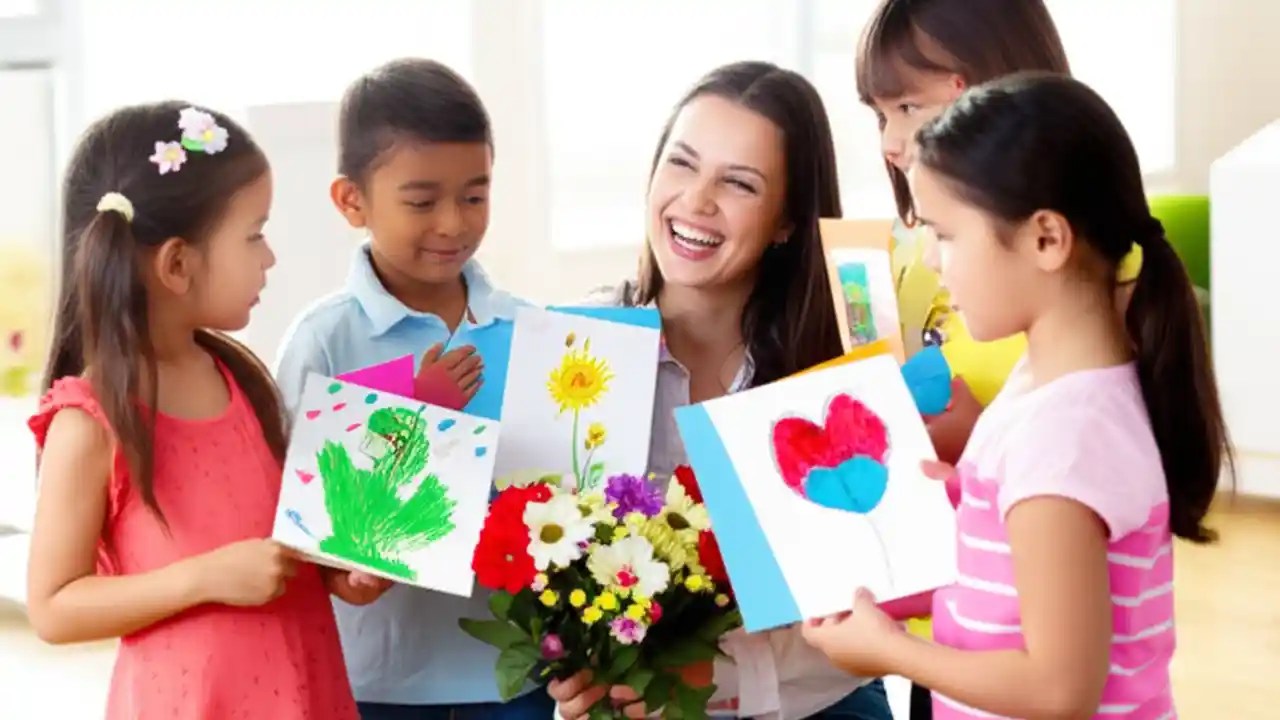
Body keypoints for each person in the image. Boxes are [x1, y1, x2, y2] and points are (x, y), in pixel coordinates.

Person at [801, 72, 1231, 719]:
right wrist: (975, 508)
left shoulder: (1062, 437)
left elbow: (1059, 691)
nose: (934, 262)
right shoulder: (1055, 389)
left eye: (946, 235)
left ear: (1046, 239)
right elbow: (1018, 589)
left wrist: (891, 654)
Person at [549, 61, 893, 720]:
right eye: (681, 164)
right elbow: (543, 572)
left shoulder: (836, 367)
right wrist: (577, 666)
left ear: (787, 221)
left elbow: (869, 616)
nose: (696, 202)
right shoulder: (578, 346)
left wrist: (720, 678)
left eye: (738, 183)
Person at [25, 101, 370, 719]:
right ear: (178, 264)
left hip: (304, 693)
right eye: (255, 233)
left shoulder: (240, 378)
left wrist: (338, 570)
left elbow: (273, 545)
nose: (269, 258)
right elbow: (53, 606)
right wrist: (204, 579)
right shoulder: (90, 419)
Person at [272, 59, 550, 720]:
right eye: (422, 202)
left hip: (513, 669)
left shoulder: (529, 328)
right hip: (377, 677)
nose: (453, 223)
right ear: (352, 201)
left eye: (475, 195)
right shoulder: (322, 340)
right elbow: (293, 510)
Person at [853, 0, 1151, 465]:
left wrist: (981, 439)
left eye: (909, 106)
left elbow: (1109, 446)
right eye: (880, 115)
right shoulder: (904, 249)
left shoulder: (1099, 266)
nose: (890, 143)